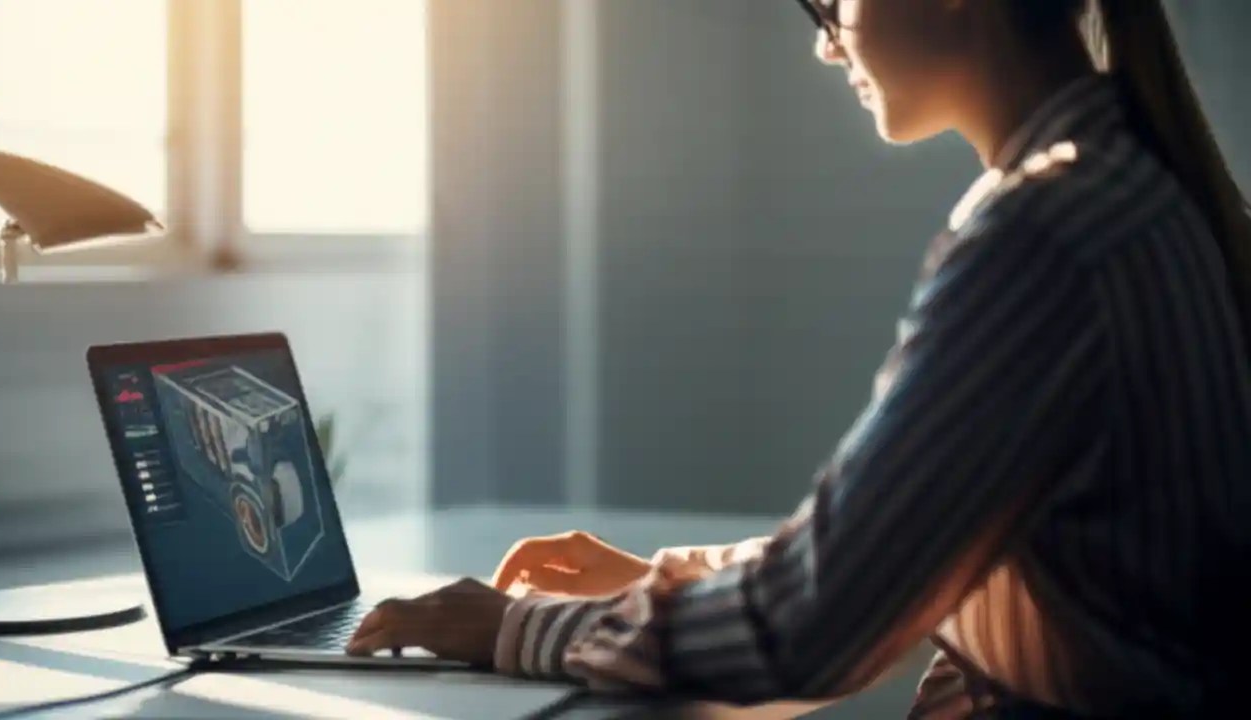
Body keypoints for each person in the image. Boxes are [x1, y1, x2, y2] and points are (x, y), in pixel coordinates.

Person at [347, 0, 1251, 716]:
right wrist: (669, 579)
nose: (828, 47)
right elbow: (889, 549)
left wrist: (518, 629)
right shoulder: (1128, 190)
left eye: (831, 3)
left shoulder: (1044, 235)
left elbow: (815, 626)